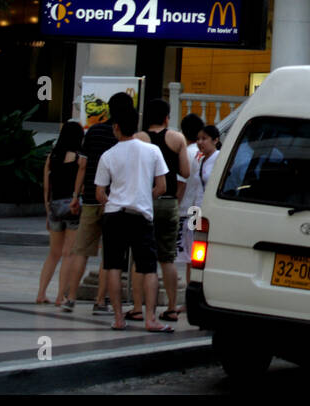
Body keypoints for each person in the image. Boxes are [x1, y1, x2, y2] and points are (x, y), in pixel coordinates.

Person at [94, 101, 173, 333]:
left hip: (114, 216)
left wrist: (112, 201)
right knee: (148, 268)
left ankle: (119, 318)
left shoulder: (108, 155)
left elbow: (100, 192)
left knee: (114, 267)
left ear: (116, 127)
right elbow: (162, 186)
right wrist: (143, 197)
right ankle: (151, 318)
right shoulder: (152, 151)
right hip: (141, 214)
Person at [61, 92, 132, 316]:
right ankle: (101, 302)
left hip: (91, 197)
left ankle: (70, 298)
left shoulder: (94, 130)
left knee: (80, 251)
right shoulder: (127, 138)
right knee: (109, 254)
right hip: (115, 201)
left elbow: (82, 165)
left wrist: (76, 195)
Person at [129, 98, 190, 324]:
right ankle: (172, 308)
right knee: (167, 257)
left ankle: (137, 307)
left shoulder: (138, 139)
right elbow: (185, 170)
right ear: (167, 117)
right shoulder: (177, 138)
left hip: (144, 201)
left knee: (140, 258)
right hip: (168, 203)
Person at [37, 120, 83, 307]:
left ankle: (41, 293)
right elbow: (80, 186)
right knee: (68, 254)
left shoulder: (52, 157)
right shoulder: (80, 159)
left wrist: (48, 211)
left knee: (53, 253)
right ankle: (60, 297)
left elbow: (47, 188)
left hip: (55, 206)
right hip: (72, 207)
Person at [177, 124, 221, 310]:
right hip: (196, 210)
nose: (201, 142)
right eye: (199, 139)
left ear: (215, 140)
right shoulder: (200, 158)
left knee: (208, 254)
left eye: (205, 139)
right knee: (192, 254)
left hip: (210, 211)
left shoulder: (220, 158)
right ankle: (191, 296)